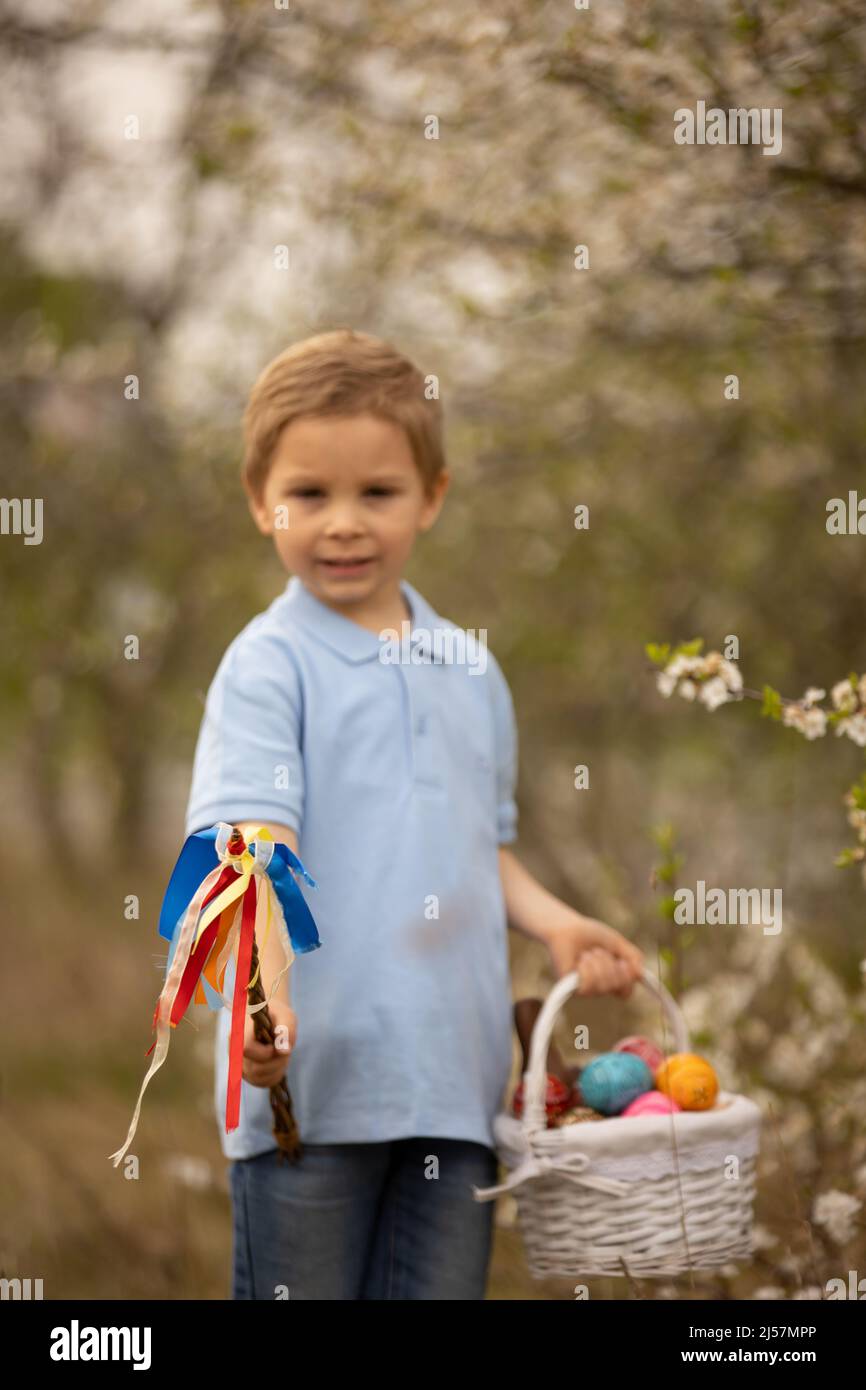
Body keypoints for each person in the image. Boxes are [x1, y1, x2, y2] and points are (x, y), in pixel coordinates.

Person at [184, 328, 645, 1300]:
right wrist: (262, 1005)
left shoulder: (470, 669)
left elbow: (481, 849)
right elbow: (251, 854)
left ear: (431, 496)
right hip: (308, 1089)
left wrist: (558, 924)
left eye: (377, 493)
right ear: (259, 500)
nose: (342, 523)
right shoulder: (271, 667)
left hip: (450, 1088)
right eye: (309, 494)